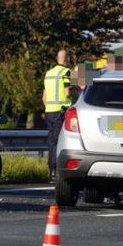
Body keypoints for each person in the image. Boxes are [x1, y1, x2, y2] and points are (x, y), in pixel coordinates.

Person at [42, 49, 71, 182]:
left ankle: (51, 171)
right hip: (61, 110)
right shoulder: (66, 72)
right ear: (66, 59)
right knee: (60, 141)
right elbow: (67, 93)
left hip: (49, 111)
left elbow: (44, 97)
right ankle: (57, 171)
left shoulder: (48, 74)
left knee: (51, 141)